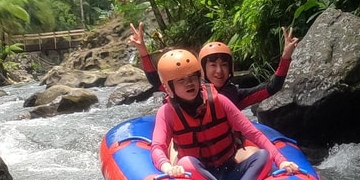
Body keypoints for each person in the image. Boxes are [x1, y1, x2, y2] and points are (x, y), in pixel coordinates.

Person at [151, 49, 299, 180]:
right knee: (186, 163)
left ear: (199, 78)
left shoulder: (219, 101)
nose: (189, 83)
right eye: (181, 80)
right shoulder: (167, 112)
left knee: (263, 156)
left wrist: (281, 161)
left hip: (229, 169)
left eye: (192, 77)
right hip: (199, 175)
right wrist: (167, 166)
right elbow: (158, 146)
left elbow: (252, 132)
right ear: (168, 87)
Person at [128, 22, 299, 110]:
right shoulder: (189, 88)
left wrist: (285, 57)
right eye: (213, 65)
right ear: (202, 68)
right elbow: (155, 81)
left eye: (224, 65)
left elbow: (272, 87)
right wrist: (143, 51)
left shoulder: (237, 95)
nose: (219, 71)